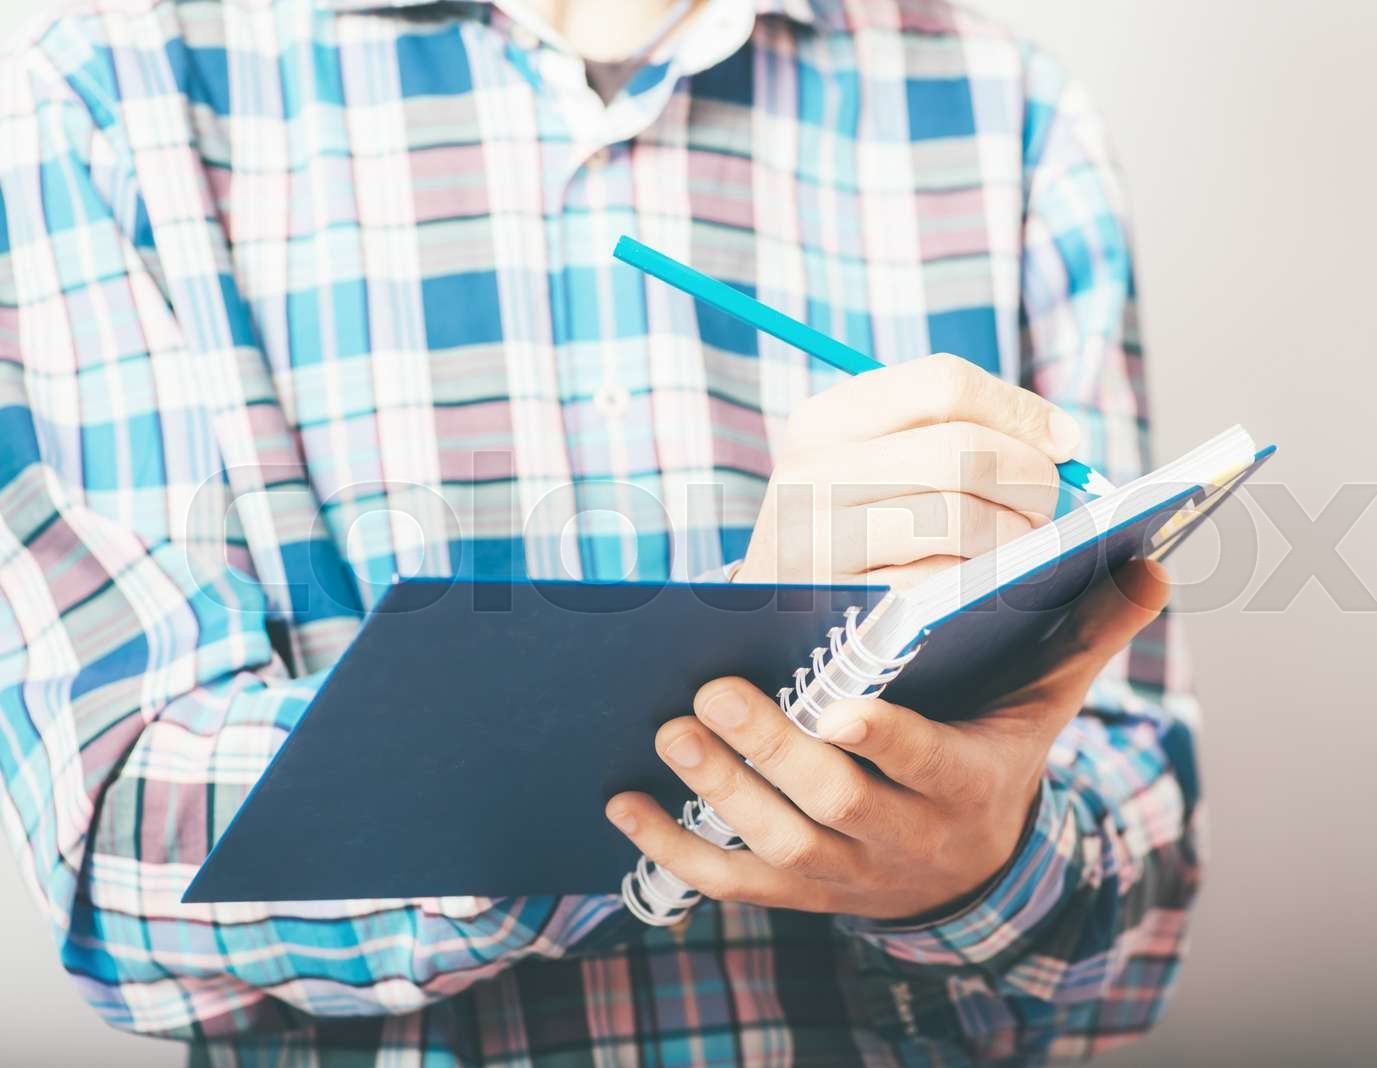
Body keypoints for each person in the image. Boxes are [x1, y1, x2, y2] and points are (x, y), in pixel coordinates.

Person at [0, 0, 1201, 1063]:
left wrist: (988, 866)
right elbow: (128, 863)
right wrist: (741, 660)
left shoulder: (1007, 111)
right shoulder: (110, 97)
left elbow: (1134, 914)